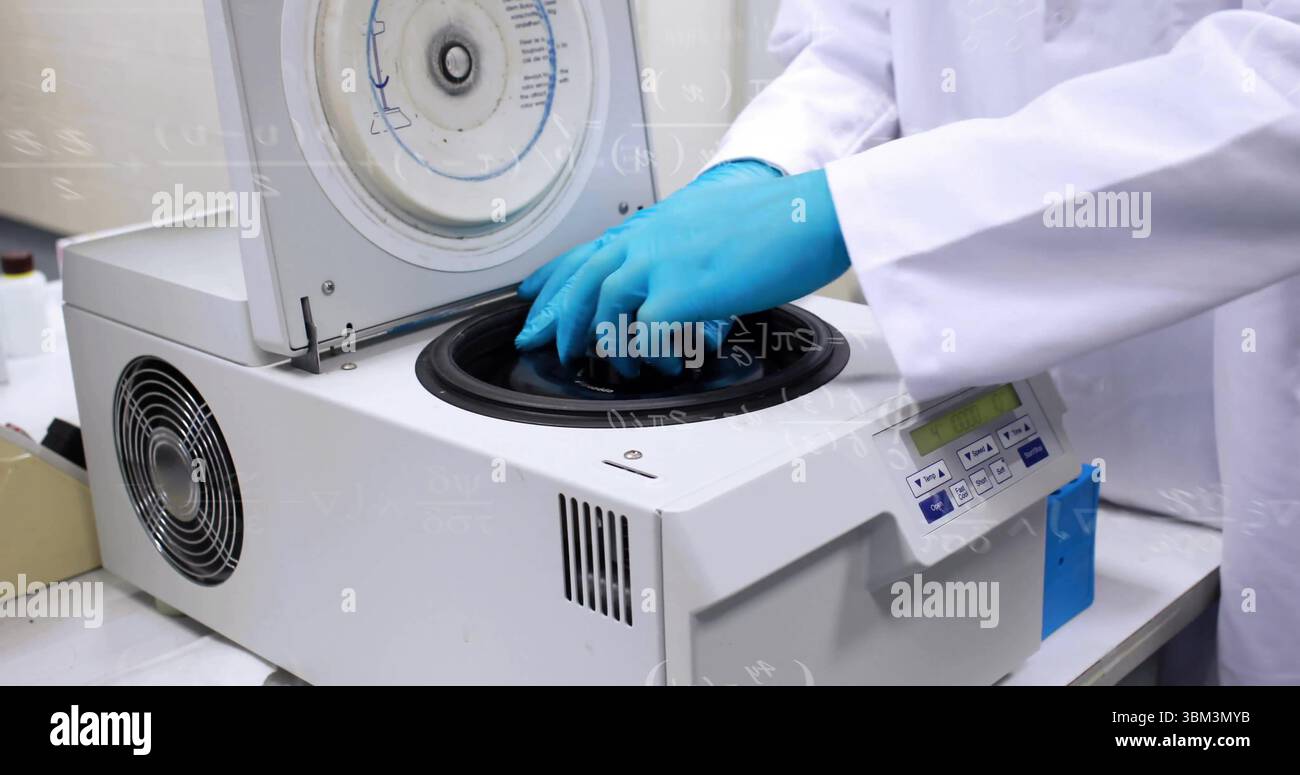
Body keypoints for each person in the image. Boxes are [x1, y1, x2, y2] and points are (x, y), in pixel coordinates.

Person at [515, 1, 1300, 684]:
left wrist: (847, 214)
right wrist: (761, 173)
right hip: (982, 452)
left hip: (1231, 454)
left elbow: (1281, 90)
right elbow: (853, 48)